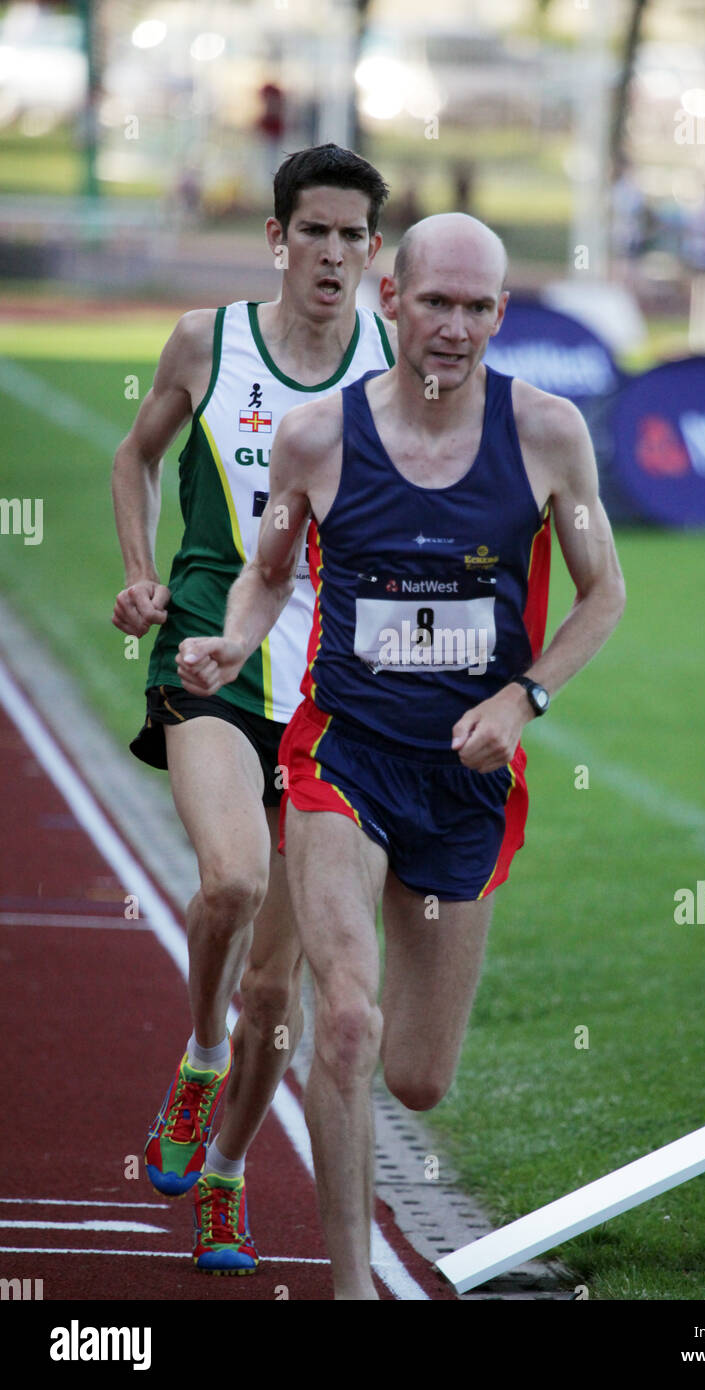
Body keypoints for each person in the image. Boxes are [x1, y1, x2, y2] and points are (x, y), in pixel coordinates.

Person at [176, 212, 626, 1298]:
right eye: (435, 302)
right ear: (392, 300)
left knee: (417, 1077)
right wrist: (236, 636)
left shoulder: (547, 433)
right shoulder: (320, 440)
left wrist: (522, 699)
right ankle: (350, 1288)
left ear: (500, 316)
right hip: (343, 755)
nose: (455, 328)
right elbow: (271, 570)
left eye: (477, 307)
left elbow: (601, 592)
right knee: (345, 1022)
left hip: (465, 779)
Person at [111, 143, 393, 1274]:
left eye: (351, 236)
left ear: (374, 254)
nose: (331, 254)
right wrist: (137, 574)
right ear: (277, 240)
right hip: (207, 656)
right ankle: (197, 1049)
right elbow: (132, 458)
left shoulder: (390, 362)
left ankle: (225, 1170)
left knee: (285, 984)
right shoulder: (206, 340)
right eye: (312, 232)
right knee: (231, 877)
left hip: (331, 689)